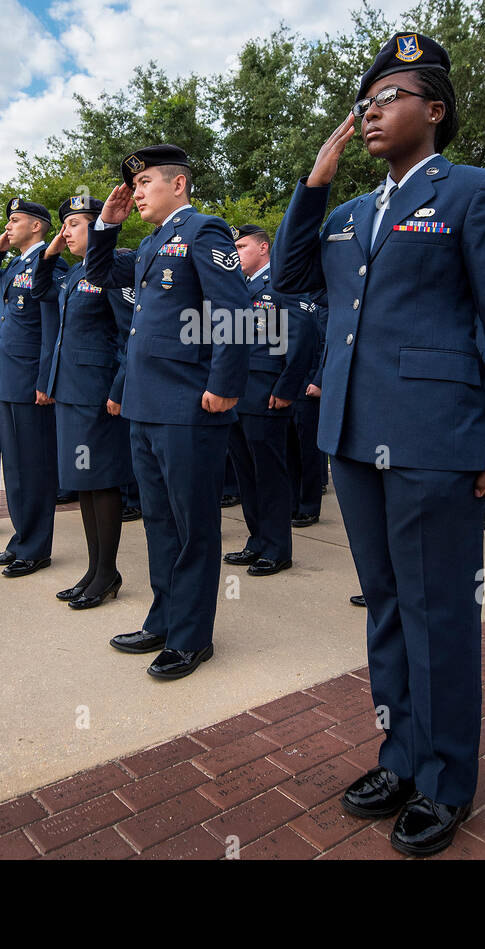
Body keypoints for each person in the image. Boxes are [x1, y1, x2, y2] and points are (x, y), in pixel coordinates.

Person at [271, 33, 485, 856]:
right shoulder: (352, 214)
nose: (372, 110)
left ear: (435, 108)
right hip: (353, 435)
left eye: (390, 95)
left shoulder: (473, 193)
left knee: (438, 611)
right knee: (387, 604)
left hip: (435, 436)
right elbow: (289, 279)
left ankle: (447, 779)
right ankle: (399, 755)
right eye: (365, 100)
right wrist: (313, 186)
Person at [83, 144, 252, 681]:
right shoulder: (153, 242)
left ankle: (191, 637)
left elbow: (236, 309)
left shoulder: (204, 231)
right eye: (132, 186)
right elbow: (104, 272)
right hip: (147, 406)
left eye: (145, 183)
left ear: (178, 185)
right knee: (159, 523)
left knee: (191, 525)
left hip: (189, 405)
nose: (134, 193)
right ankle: (163, 618)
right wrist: (105, 226)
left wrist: (225, 383)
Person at [32, 194, 134, 608]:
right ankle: (94, 570)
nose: (65, 232)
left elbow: (130, 331)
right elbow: (40, 291)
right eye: (64, 225)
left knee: (103, 482)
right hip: (71, 392)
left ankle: (108, 573)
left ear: (98, 226)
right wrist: (52, 251)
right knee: (84, 484)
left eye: (73, 224)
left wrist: (119, 389)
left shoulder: (114, 266)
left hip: (98, 393)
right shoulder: (74, 273)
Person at [0, 199, 66, 576]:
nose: (8, 227)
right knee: (13, 468)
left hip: (30, 382)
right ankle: (20, 541)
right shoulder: (14, 265)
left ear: (36, 226)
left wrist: (46, 380)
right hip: (6, 380)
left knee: (34, 468)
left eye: (14, 221)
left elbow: (52, 328)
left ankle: (35, 548)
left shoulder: (51, 263)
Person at [221, 224, 315, 577]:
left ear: (263, 249)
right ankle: (257, 539)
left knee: (270, 474)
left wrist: (287, 387)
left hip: (266, 390)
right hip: (237, 392)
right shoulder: (239, 286)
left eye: (241, 246)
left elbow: (303, 335)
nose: (235, 253)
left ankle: (277, 549)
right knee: (246, 472)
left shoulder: (282, 281)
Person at [287, 288, 327, 528]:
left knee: (308, 451)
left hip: (308, 384)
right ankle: (293, 503)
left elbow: (326, 345)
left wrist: (319, 380)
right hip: (289, 386)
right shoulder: (291, 300)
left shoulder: (315, 303)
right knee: (290, 451)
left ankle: (309, 506)